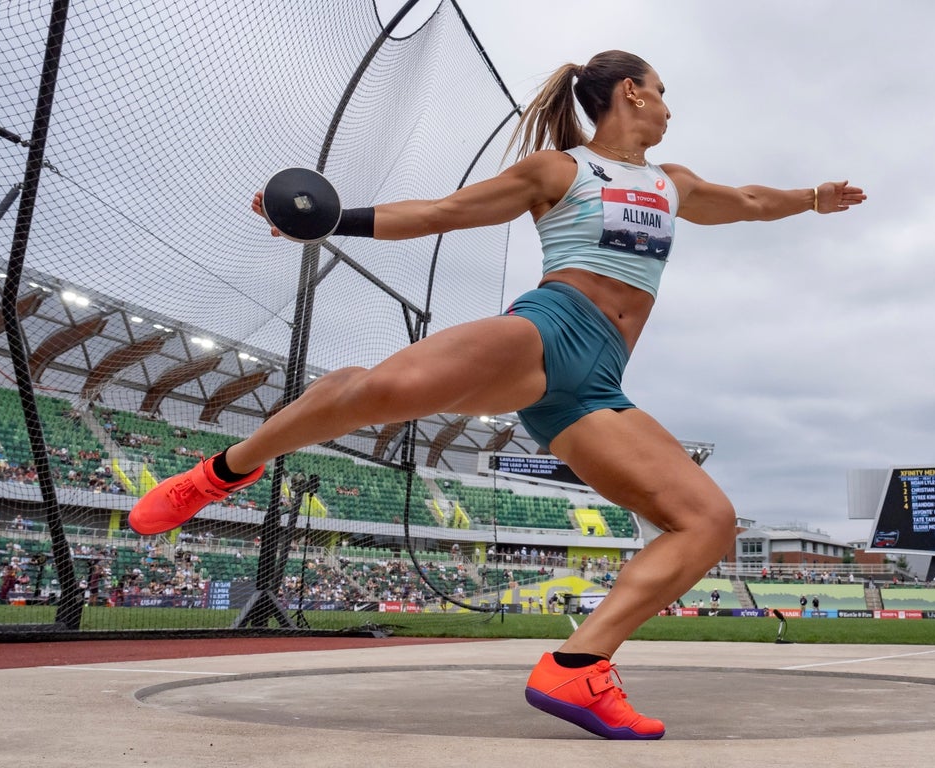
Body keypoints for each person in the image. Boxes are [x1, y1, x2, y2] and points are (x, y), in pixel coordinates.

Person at [129, 49, 864, 740]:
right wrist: (332, 221)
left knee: (708, 521)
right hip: (550, 330)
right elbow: (444, 212)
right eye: (662, 91)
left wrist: (811, 199)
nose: (670, 107)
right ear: (630, 92)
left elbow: (743, 200)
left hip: (598, 381)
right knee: (379, 390)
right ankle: (222, 471)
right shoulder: (560, 169)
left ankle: (577, 668)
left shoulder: (672, 181)